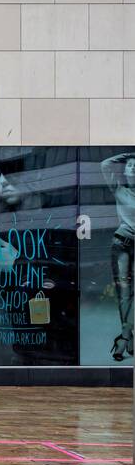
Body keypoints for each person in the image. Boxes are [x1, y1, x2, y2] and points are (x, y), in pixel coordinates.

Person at [100, 152, 135, 360]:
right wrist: (128, 155)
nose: (132, 169)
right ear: (124, 170)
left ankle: (123, 337)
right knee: (124, 294)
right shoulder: (118, 189)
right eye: (129, 166)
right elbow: (105, 164)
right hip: (121, 245)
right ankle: (128, 337)